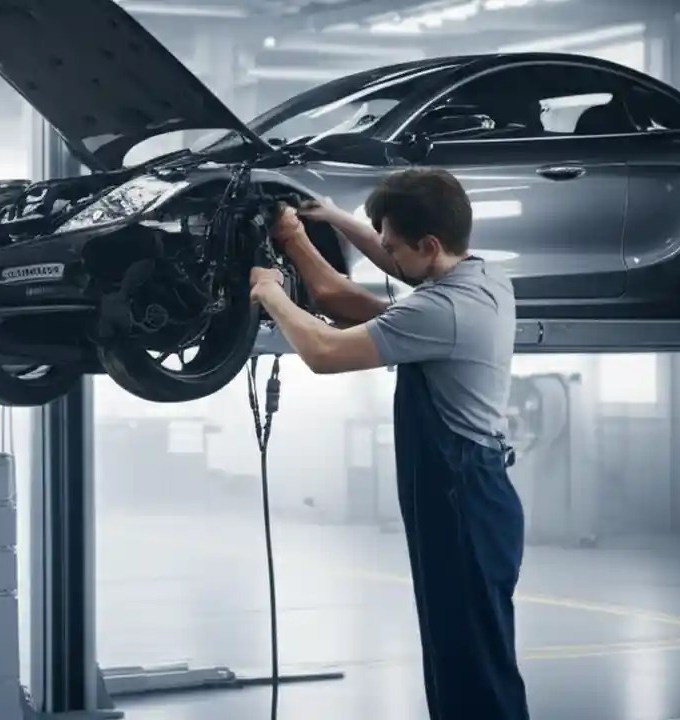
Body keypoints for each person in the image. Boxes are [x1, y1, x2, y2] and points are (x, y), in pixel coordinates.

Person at [250, 168, 529, 720]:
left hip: (463, 496)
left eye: (392, 244)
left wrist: (271, 293)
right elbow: (349, 289)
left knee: (473, 662)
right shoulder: (480, 278)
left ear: (429, 246)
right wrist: (321, 223)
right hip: (472, 492)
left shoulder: (440, 311)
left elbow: (326, 351)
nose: (385, 253)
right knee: (458, 653)